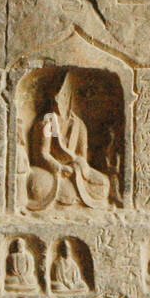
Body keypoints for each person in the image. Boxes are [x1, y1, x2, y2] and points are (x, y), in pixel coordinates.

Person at [25, 71, 111, 211]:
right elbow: (43, 153)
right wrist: (59, 167)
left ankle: (71, 196)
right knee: (37, 186)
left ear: (69, 97)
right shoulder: (48, 121)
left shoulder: (78, 124)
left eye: (63, 95)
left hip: (75, 172)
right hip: (52, 171)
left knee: (104, 184)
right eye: (56, 95)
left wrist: (81, 166)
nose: (58, 99)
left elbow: (82, 155)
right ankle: (68, 197)